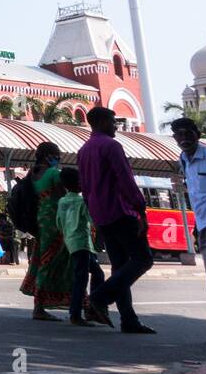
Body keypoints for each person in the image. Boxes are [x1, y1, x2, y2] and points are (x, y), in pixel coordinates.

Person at [78, 106, 155, 334]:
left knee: (120, 265)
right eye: (113, 121)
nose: (116, 126)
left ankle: (128, 319)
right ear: (101, 122)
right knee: (143, 258)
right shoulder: (111, 146)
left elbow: (85, 186)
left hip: (101, 215)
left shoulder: (84, 150)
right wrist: (140, 208)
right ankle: (99, 298)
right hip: (120, 211)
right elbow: (125, 179)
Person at [170, 117, 206, 345]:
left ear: (197, 134)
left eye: (187, 133)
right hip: (203, 225)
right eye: (179, 135)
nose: (184, 139)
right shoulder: (183, 160)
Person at [19, 142, 76, 320]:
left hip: (40, 221)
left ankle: (41, 303)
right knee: (55, 261)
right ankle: (42, 305)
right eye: (56, 155)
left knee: (43, 260)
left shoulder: (32, 174)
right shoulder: (53, 173)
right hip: (55, 221)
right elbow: (63, 197)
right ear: (48, 156)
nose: (59, 158)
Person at [57, 166, 110, 328]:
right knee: (82, 278)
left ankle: (92, 307)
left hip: (71, 242)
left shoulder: (62, 201)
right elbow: (93, 220)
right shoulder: (82, 201)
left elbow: (59, 223)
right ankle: (77, 313)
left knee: (95, 273)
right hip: (83, 243)